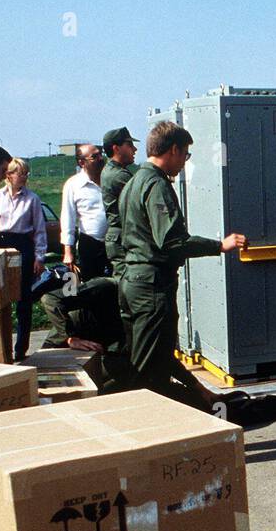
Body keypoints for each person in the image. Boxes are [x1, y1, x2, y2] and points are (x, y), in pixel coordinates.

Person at [118, 121, 247, 409]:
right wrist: (218, 246)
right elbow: (172, 243)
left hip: (133, 283)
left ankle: (199, 403)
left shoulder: (133, 183)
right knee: (148, 376)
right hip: (151, 287)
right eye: (185, 155)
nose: (184, 163)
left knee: (149, 360)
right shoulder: (156, 185)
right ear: (173, 149)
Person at [0, 157, 48, 361]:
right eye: (20, 173)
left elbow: (40, 230)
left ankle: (21, 349)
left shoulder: (32, 199)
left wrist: (39, 257)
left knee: (24, 300)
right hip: (2, 245)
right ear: (9, 175)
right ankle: (1, 346)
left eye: (26, 173)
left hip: (24, 246)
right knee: (0, 297)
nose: (24, 177)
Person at [61, 143, 108, 281]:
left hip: (114, 243)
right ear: (82, 162)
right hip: (90, 244)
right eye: (94, 156)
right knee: (92, 289)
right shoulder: (73, 185)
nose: (100, 158)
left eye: (101, 154)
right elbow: (67, 218)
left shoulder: (111, 180)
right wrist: (68, 251)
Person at [100, 126, 139, 280]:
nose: (134, 149)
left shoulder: (114, 171)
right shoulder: (118, 175)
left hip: (120, 236)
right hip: (121, 237)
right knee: (127, 285)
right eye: (129, 145)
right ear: (116, 148)